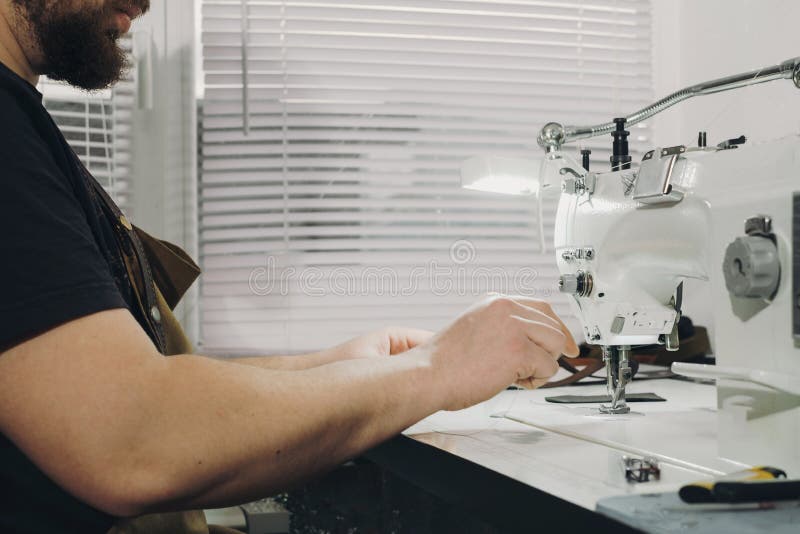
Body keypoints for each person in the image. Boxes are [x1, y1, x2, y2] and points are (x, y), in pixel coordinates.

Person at [0, 0, 579, 532]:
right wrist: (438, 369)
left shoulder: (24, 125)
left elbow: (130, 387)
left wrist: (337, 364)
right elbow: (133, 440)